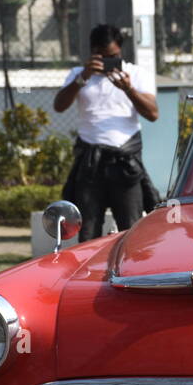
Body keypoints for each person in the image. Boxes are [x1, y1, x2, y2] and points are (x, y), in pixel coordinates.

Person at [53, 24, 159, 242]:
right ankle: (90, 274)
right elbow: (59, 106)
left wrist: (129, 89)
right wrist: (83, 77)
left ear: (121, 51)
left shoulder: (137, 75)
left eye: (115, 56)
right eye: (104, 57)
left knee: (130, 229)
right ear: (93, 52)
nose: (110, 62)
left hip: (125, 161)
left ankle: (130, 273)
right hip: (90, 161)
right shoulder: (78, 75)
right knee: (88, 231)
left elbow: (153, 113)